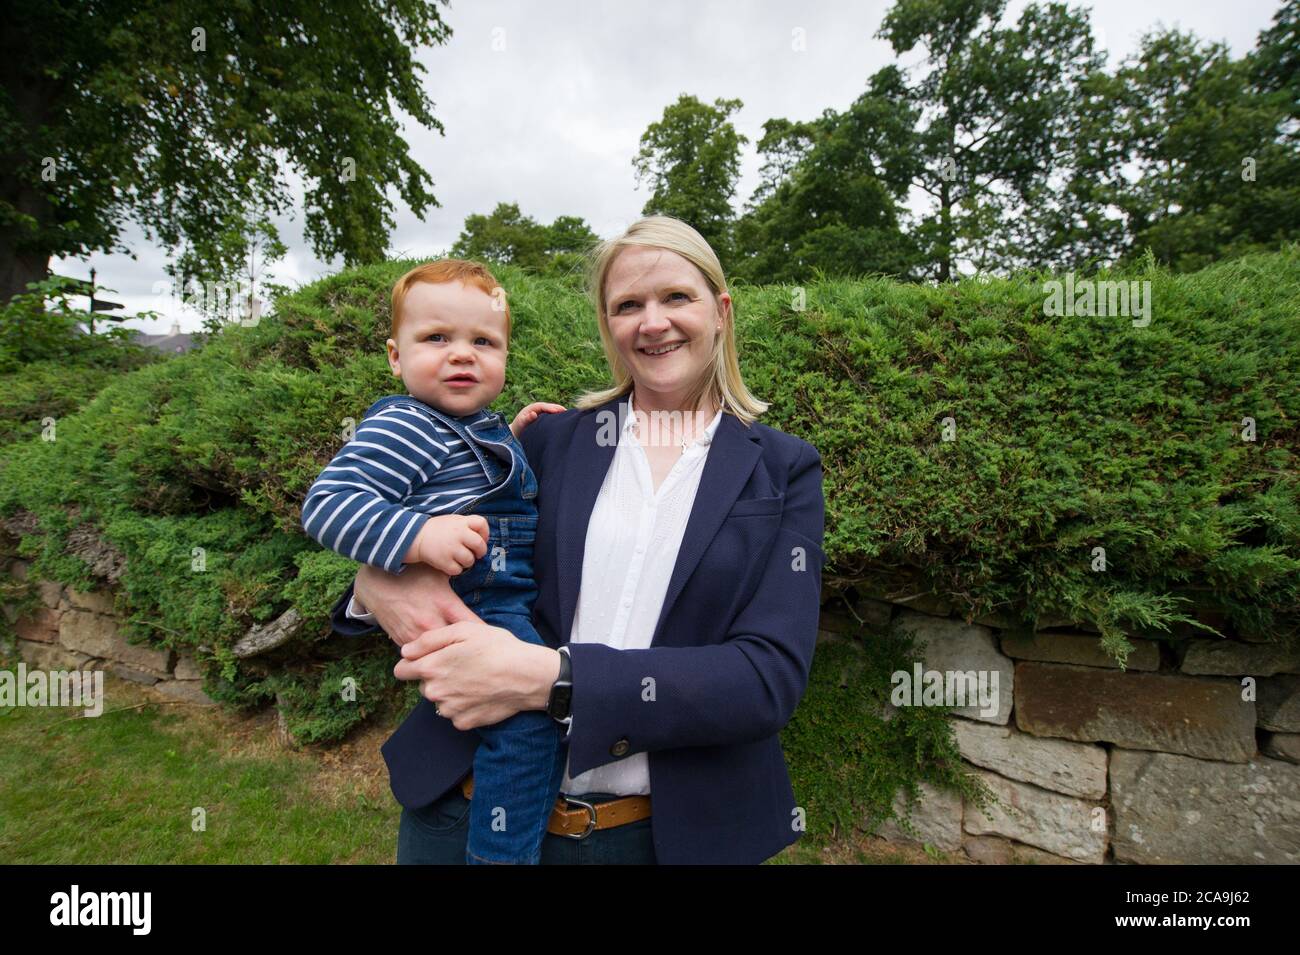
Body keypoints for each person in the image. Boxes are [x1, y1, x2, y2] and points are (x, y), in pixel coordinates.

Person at [331, 216, 826, 864]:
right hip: (465, 805)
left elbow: (767, 677)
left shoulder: (784, 469)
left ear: (721, 310)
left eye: (676, 297)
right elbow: (458, 549)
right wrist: (374, 582)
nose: (653, 322)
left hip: (653, 839)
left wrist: (554, 679)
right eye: (627, 305)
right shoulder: (547, 440)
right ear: (608, 324)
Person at [302, 258, 567, 864]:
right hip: (475, 602)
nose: (462, 355)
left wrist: (516, 443)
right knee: (528, 726)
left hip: (501, 599)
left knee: (504, 721)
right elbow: (327, 505)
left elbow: (468, 482)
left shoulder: (471, 427)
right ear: (396, 357)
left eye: (483, 341)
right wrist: (417, 536)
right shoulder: (406, 423)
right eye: (436, 339)